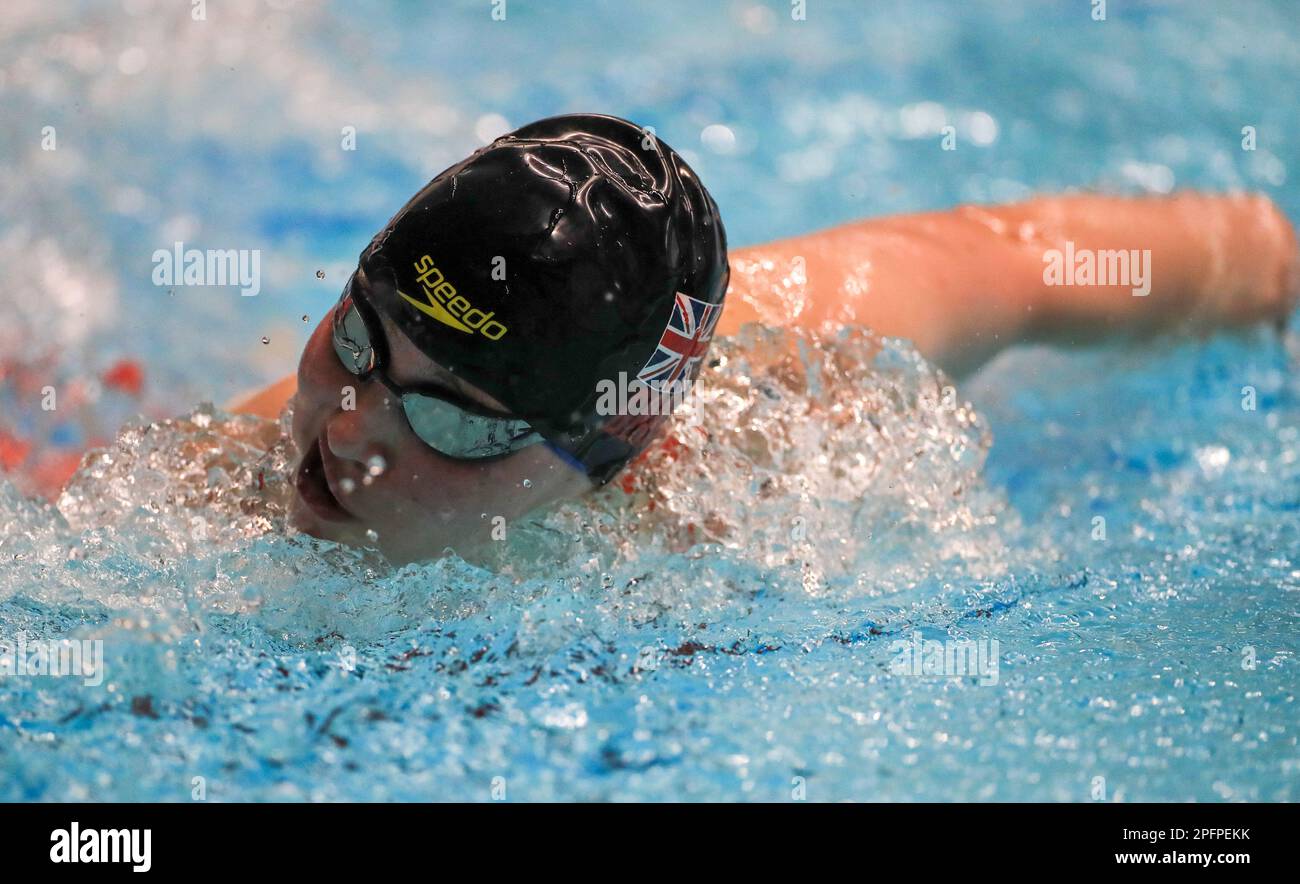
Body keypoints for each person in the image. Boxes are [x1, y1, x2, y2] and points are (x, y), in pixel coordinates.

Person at [219, 113, 1295, 564]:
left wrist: (1274, 263)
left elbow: (1020, 258)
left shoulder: (795, 401)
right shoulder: (230, 483)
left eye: (455, 417)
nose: (346, 431)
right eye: (358, 342)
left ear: (620, 453)